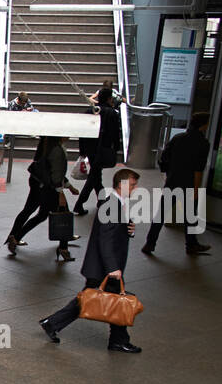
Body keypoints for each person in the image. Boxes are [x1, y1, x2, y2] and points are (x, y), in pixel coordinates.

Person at [38, 167, 143, 353]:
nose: (135, 189)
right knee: (115, 302)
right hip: (105, 267)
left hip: (101, 266)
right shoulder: (112, 205)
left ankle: (52, 323)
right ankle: (118, 340)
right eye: (132, 185)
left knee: (87, 300)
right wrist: (113, 268)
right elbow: (105, 239)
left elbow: (115, 233)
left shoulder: (116, 203)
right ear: (122, 185)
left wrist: (130, 230)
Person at [143, 111, 212, 256]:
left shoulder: (178, 138)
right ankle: (191, 245)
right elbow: (198, 169)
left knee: (161, 214)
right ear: (204, 125)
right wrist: (196, 189)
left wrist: (167, 175)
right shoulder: (203, 144)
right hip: (189, 183)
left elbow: (164, 158)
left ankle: (150, 243)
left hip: (173, 180)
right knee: (190, 217)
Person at [4, 136, 80, 261]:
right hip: (48, 188)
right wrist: (61, 192)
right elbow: (56, 174)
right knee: (63, 215)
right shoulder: (56, 150)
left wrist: (69, 186)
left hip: (40, 184)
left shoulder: (48, 146)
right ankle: (63, 248)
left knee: (39, 214)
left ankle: (15, 237)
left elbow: (54, 171)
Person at [73, 88, 122, 216]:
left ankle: (99, 201)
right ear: (109, 99)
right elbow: (115, 135)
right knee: (94, 175)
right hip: (104, 149)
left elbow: (82, 132)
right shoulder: (112, 113)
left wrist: (82, 150)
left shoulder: (90, 111)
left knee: (95, 175)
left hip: (90, 148)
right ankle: (82, 203)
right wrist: (116, 148)